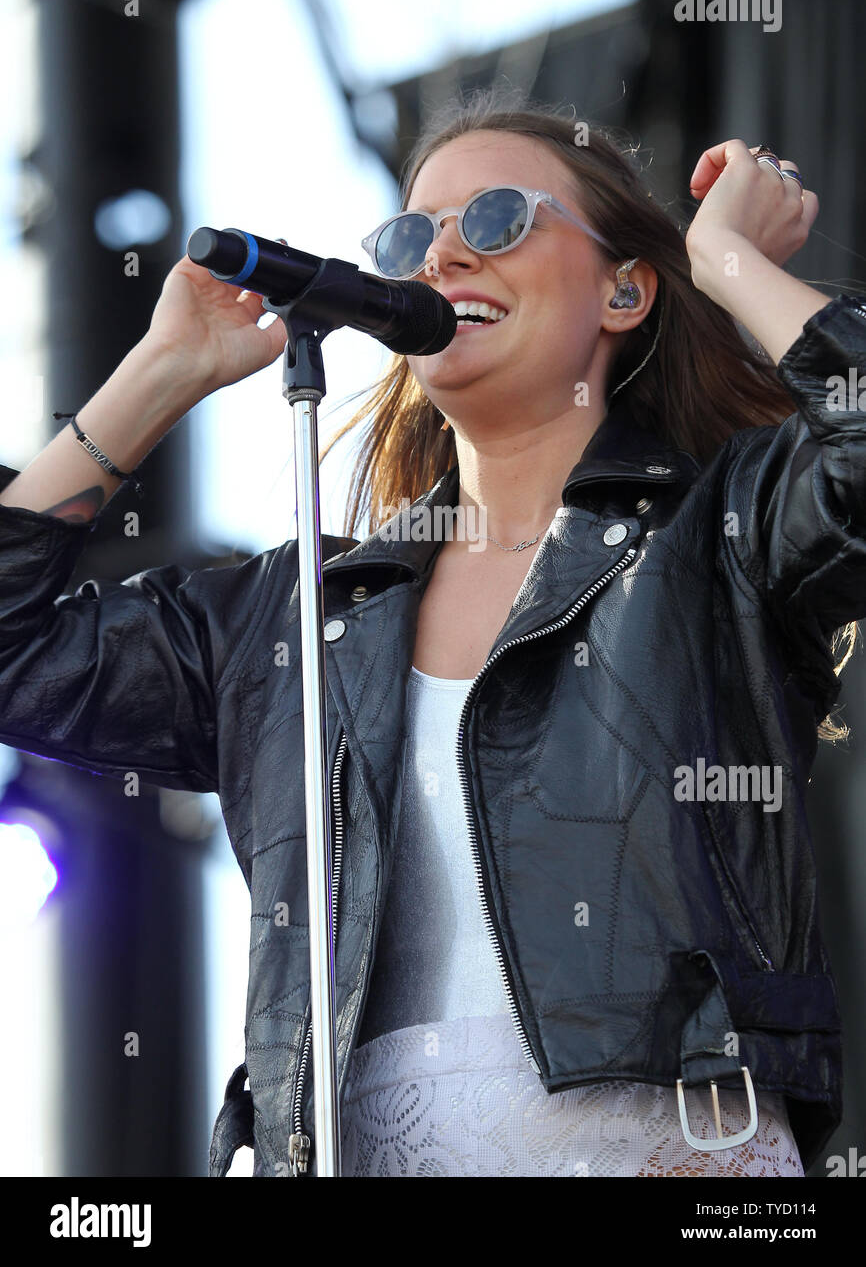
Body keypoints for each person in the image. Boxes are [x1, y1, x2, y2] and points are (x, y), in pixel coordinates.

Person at [0, 86, 862, 1178]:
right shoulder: (291, 621)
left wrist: (725, 258)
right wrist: (156, 373)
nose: (443, 256)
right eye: (412, 236)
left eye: (497, 219)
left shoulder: (716, 535)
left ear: (624, 289)